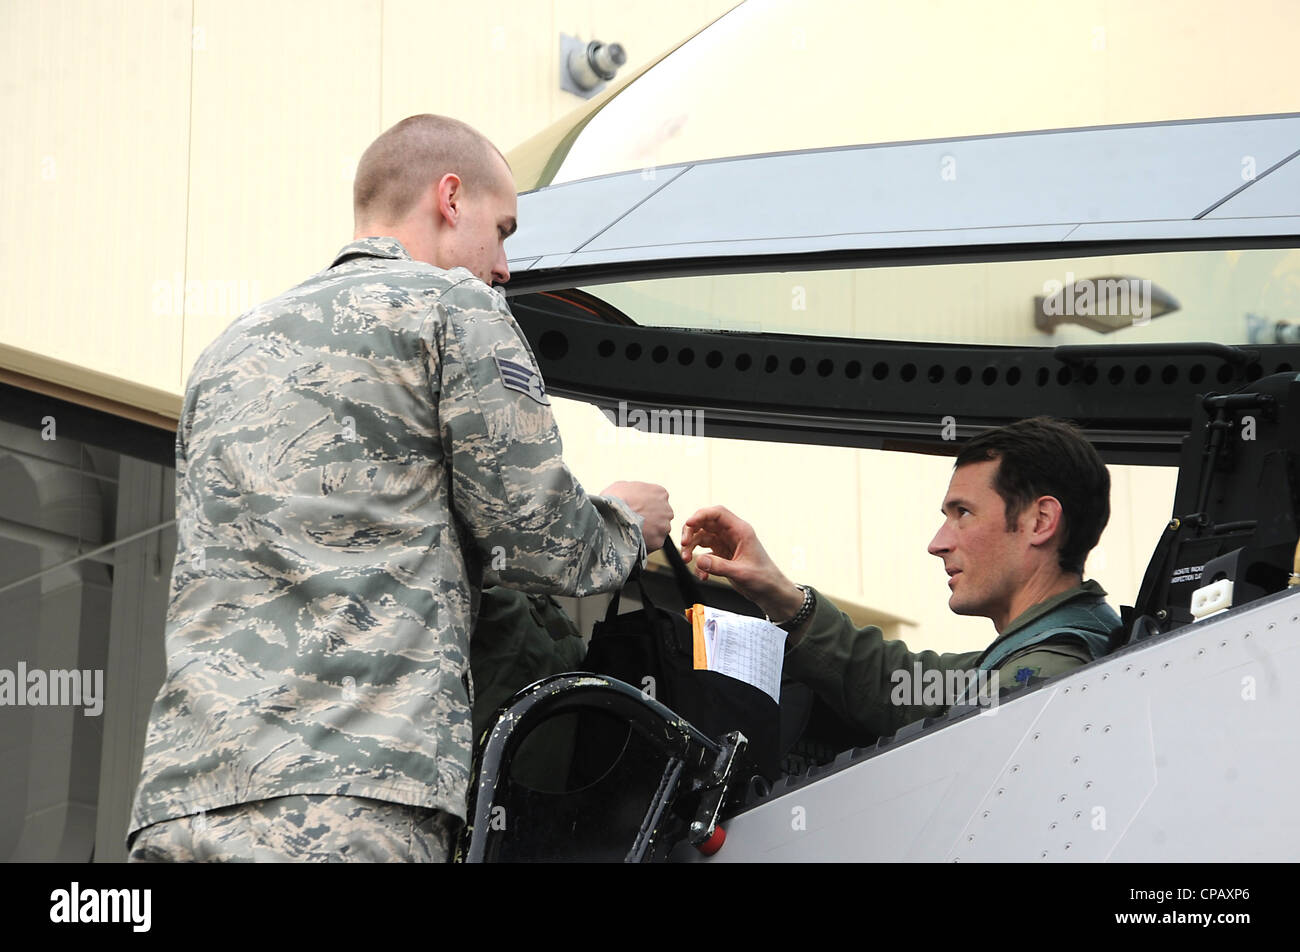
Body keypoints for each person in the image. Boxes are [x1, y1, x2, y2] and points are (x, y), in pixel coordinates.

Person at [126, 114, 672, 862]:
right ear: (451, 197)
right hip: (351, 801)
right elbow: (544, 542)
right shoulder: (454, 308)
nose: (507, 266)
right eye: (503, 229)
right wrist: (628, 526)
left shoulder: (227, 351)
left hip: (184, 803)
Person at [680, 417, 1118, 739]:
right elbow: (898, 681)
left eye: (963, 513)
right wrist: (783, 597)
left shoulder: (1044, 679)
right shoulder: (1032, 659)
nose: (938, 543)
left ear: (1040, 521)